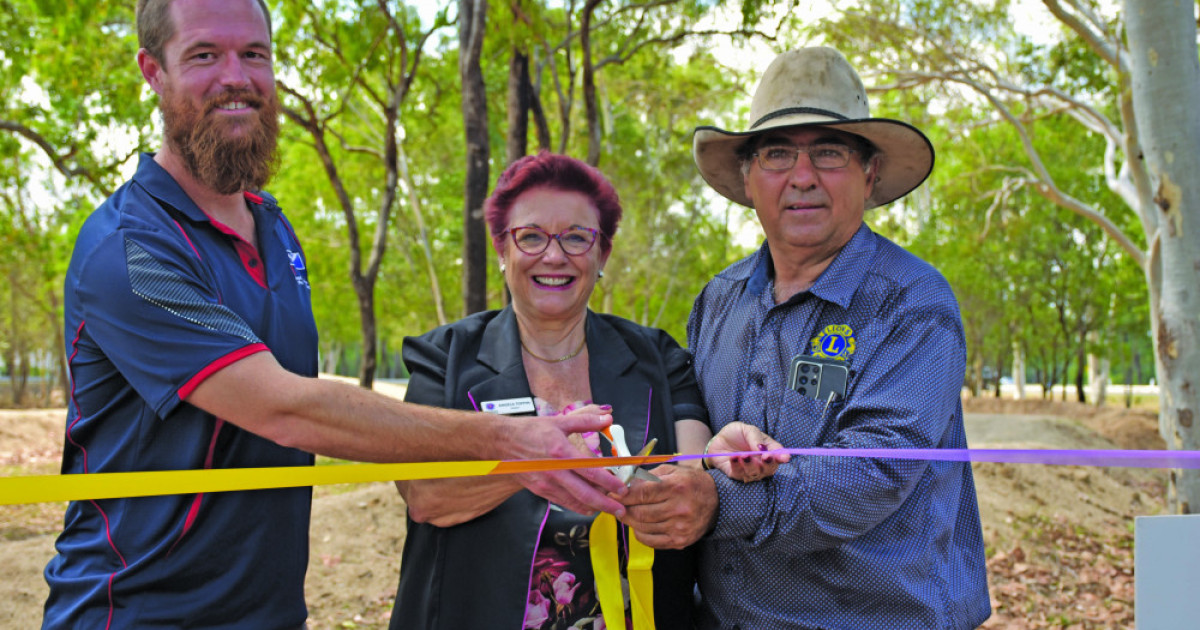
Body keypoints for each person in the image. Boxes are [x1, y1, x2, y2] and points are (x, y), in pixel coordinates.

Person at [41, 2, 627, 628]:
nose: (237, 76)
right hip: (135, 614)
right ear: (153, 72)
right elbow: (287, 409)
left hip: (270, 613)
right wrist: (514, 441)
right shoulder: (130, 249)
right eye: (205, 55)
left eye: (255, 55)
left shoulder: (274, 226)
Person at [618, 47, 991, 628]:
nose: (802, 176)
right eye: (777, 153)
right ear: (747, 177)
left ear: (868, 174)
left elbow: (878, 468)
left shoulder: (913, 301)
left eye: (829, 152)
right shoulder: (720, 298)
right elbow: (692, 433)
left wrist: (718, 503)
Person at [388, 152, 783, 630]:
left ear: (603, 255)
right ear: (501, 250)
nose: (554, 256)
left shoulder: (658, 355)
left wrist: (715, 461)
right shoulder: (445, 357)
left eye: (577, 237)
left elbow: (689, 471)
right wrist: (538, 465)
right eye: (531, 236)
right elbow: (426, 494)